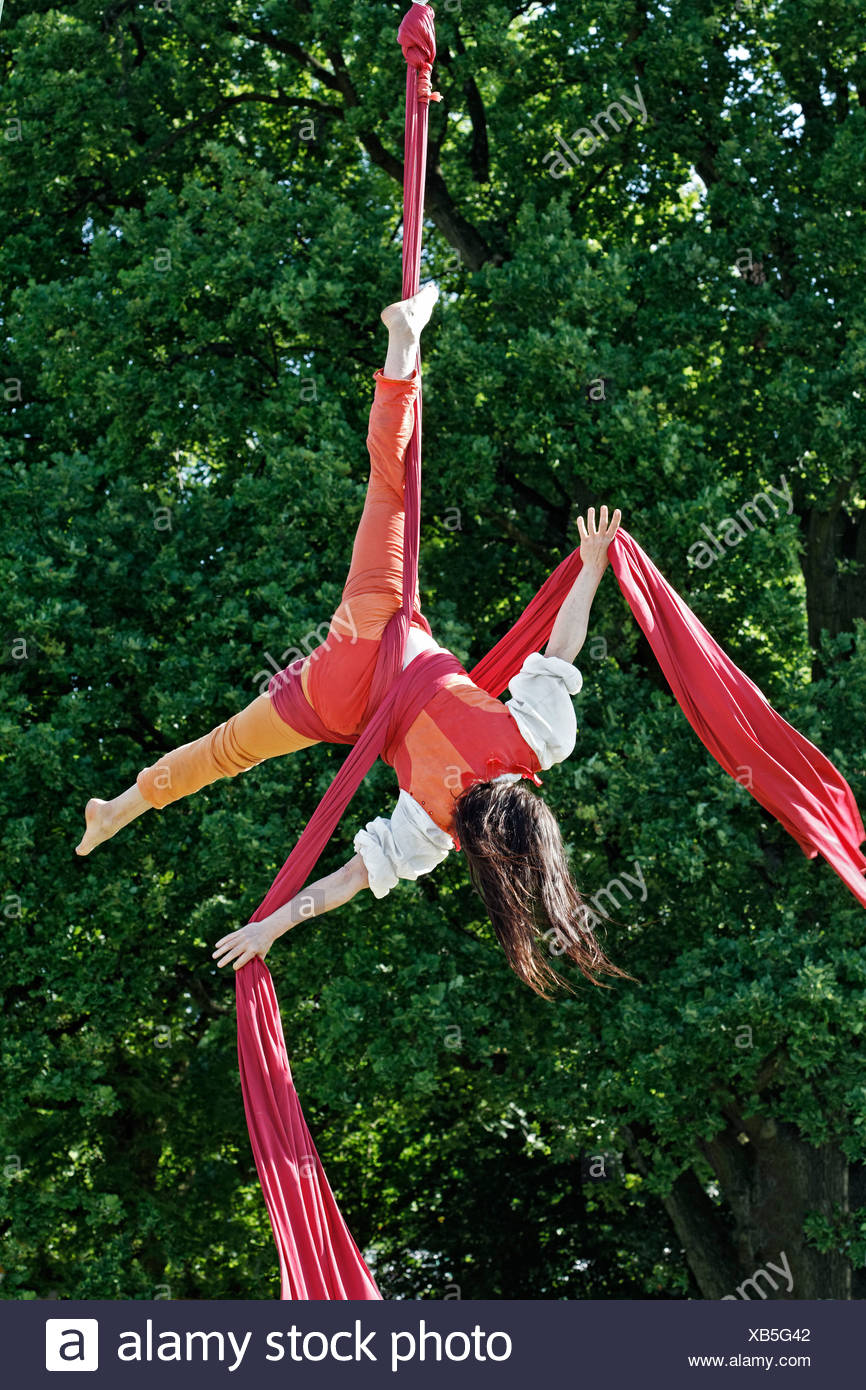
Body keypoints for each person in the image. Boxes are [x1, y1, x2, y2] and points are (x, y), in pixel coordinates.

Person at [76, 284, 626, 997]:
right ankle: (117, 809)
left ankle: (403, 345)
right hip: (341, 700)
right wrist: (269, 925)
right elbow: (339, 883)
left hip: (388, 634)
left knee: (390, 487)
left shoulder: (539, 739)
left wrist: (588, 570)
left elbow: (562, 647)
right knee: (226, 752)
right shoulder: (435, 827)